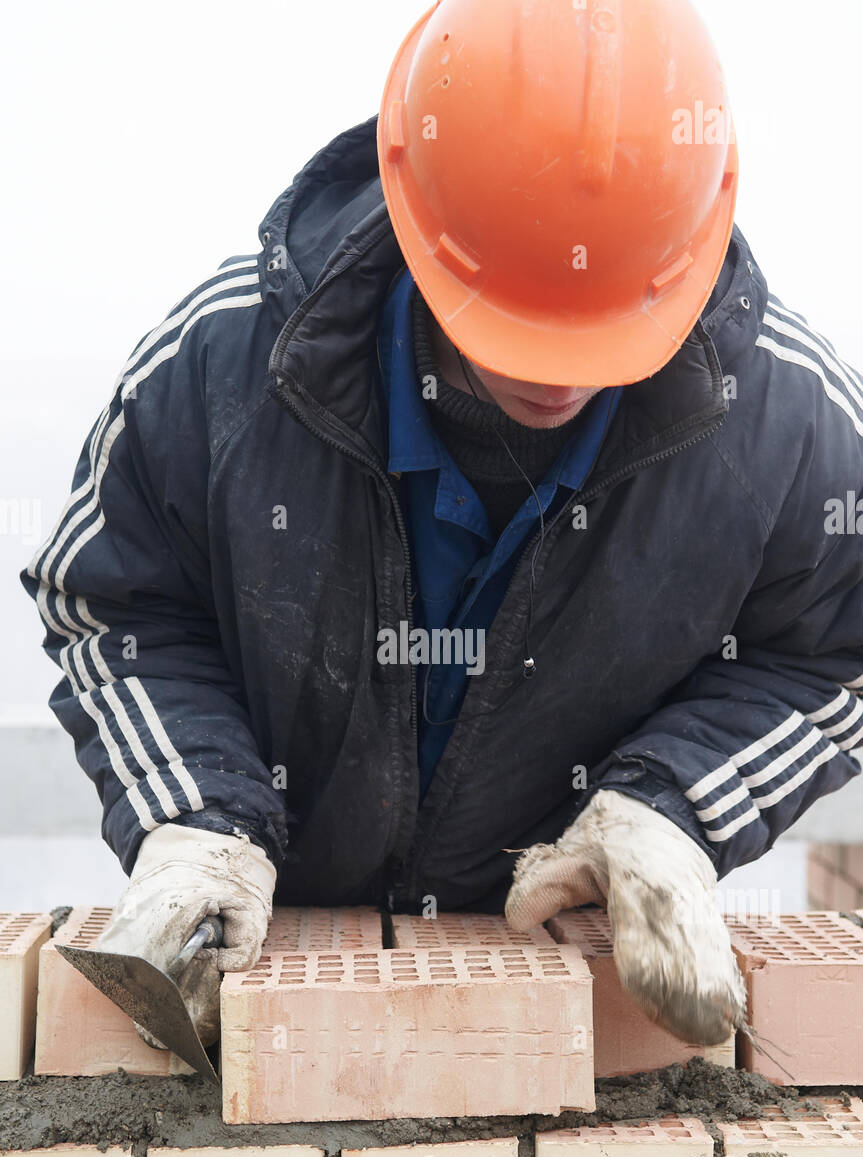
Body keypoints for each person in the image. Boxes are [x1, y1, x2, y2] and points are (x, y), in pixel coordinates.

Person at [23, 0, 863, 1051]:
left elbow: (832, 655)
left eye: (597, 328)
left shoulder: (790, 427)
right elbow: (112, 601)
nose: (557, 376)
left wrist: (669, 808)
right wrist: (199, 817)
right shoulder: (220, 370)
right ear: (417, 218)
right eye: (515, 324)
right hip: (272, 997)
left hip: (558, 1008)